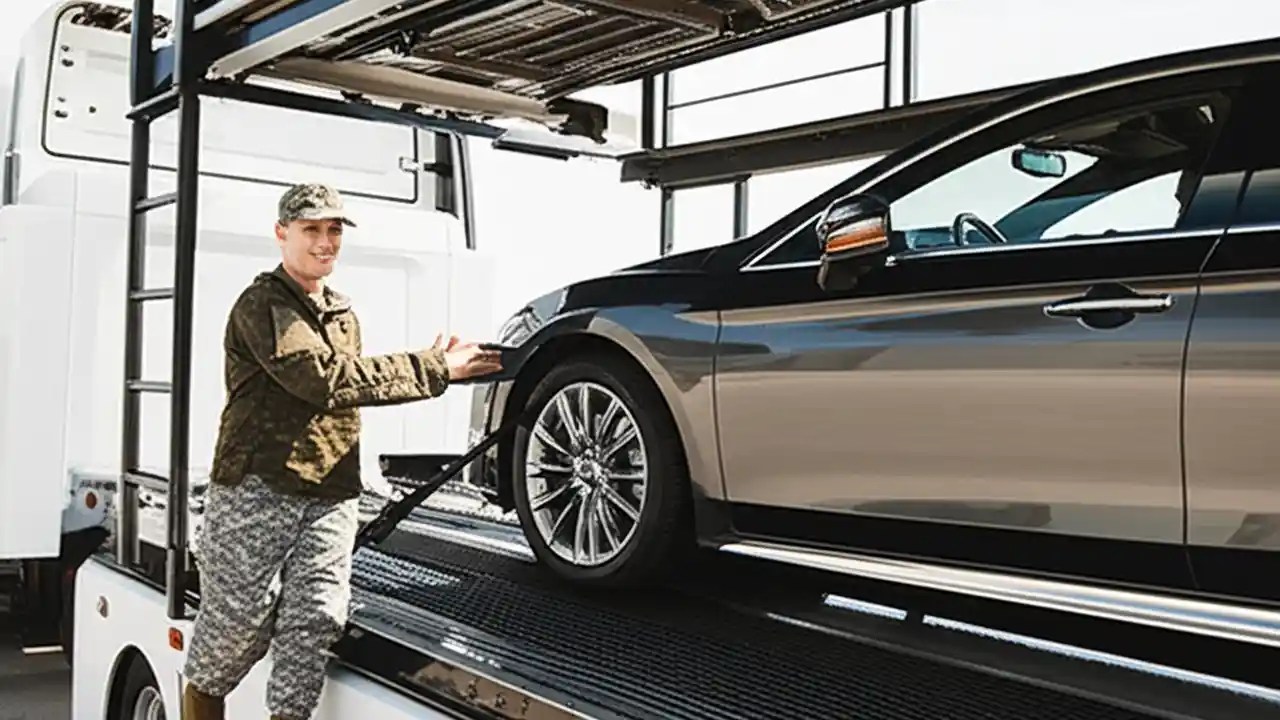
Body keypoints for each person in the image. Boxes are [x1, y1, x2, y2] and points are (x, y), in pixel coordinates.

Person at [180, 183, 502, 720]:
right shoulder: (262, 304)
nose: (326, 242)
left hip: (330, 493)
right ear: (282, 234)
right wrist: (434, 367)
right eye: (312, 230)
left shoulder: (339, 310)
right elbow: (323, 380)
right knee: (237, 626)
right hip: (257, 487)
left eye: (334, 231)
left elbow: (346, 394)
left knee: (315, 620)